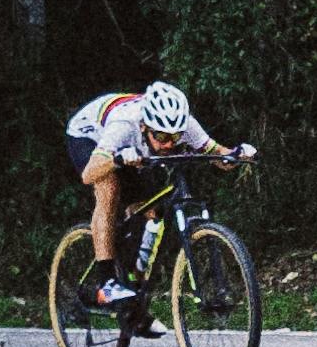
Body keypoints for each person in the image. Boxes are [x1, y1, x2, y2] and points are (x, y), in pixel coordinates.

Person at [63, 81, 254, 320]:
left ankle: (133, 279)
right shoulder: (124, 125)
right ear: (144, 126)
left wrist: (236, 154)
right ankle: (107, 282)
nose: (168, 144)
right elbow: (89, 173)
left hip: (134, 151)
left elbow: (215, 153)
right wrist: (117, 159)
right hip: (89, 135)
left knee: (151, 210)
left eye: (175, 137)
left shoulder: (184, 125)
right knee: (109, 189)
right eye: (162, 136)